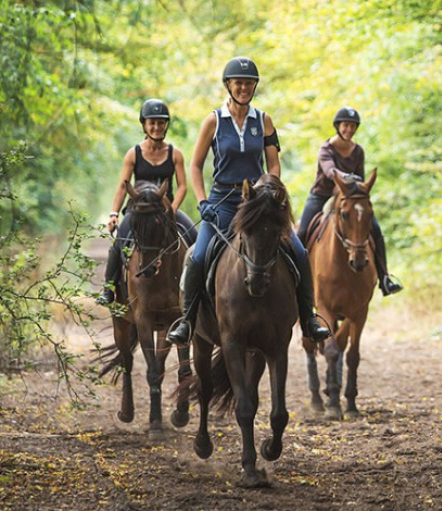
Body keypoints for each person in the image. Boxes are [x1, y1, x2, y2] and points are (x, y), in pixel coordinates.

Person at [166, 57, 331, 345]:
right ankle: (187, 321)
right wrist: (204, 202)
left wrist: (268, 189)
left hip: (258, 203)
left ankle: (308, 318)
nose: (243, 88)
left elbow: (274, 164)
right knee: (198, 256)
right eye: (238, 83)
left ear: (254, 86)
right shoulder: (214, 121)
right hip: (223, 201)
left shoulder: (263, 120)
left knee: (300, 252)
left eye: (249, 83)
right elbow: (195, 166)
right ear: (228, 85)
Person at [96, 99, 196, 305]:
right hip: (139, 211)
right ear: (144, 125)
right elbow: (124, 186)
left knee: (194, 238)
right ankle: (109, 288)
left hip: (166, 210)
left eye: (161, 123)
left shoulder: (174, 154)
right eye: (152, 123)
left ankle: (197, 289)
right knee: (119, 244)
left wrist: (172, 210)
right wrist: (114, 214)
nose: (157, 127)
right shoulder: (134, 154)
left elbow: (183, 186)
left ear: (166, 125)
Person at [296, 107, 403, 296]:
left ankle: (384, 277)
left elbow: (360, 179)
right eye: (346, 125)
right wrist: (345, 177)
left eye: (353, 126)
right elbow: (330, 170)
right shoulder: (326, 148)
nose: (349, 130)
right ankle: (295, 280)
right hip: (322, 195)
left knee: (375, 230)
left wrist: (357, 187)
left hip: (351, 198)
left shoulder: (358, 151)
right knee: (303, 232)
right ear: (338, 126)